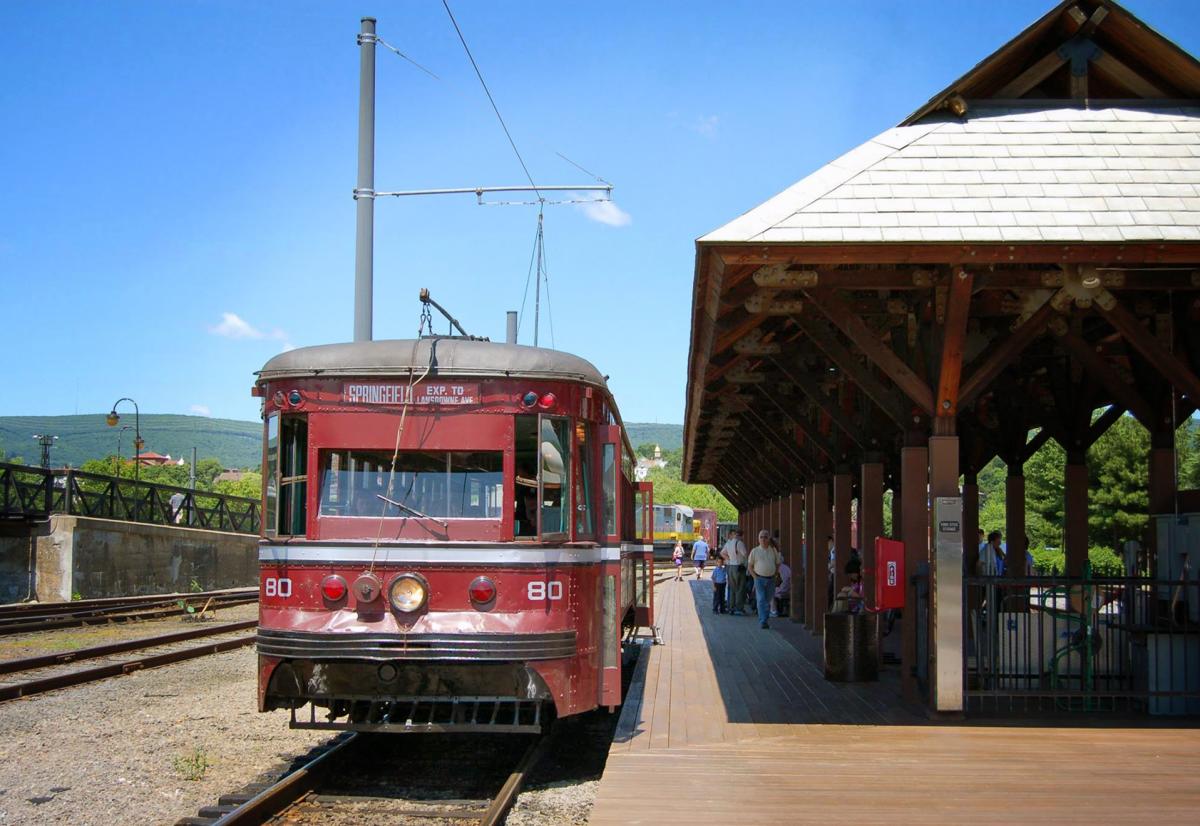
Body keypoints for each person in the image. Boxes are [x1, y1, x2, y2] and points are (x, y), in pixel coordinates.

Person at [748, 530, 783, 629]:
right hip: (759, 579)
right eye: (761, 537)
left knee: (767, 600)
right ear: (758, 539)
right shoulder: (755, 551)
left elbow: (778, 563)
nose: (763, 539)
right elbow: (750, 566)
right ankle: (762, 620)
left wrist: (775, 574)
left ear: (768, 539)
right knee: (761, 599)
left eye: (765, 537)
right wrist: (755, 577)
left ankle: (765, 619)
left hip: (771, 579)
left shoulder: (773, 550)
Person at [720, 528, 748, 615]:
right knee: (740, 588)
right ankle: (739, 608)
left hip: (731, 566)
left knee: (732, 588)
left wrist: (728, 559)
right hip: (739, 567)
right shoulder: (739, 543)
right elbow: (745, 555)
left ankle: (731, 607)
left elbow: (722, 553)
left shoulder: (729, 543)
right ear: (739, 535)